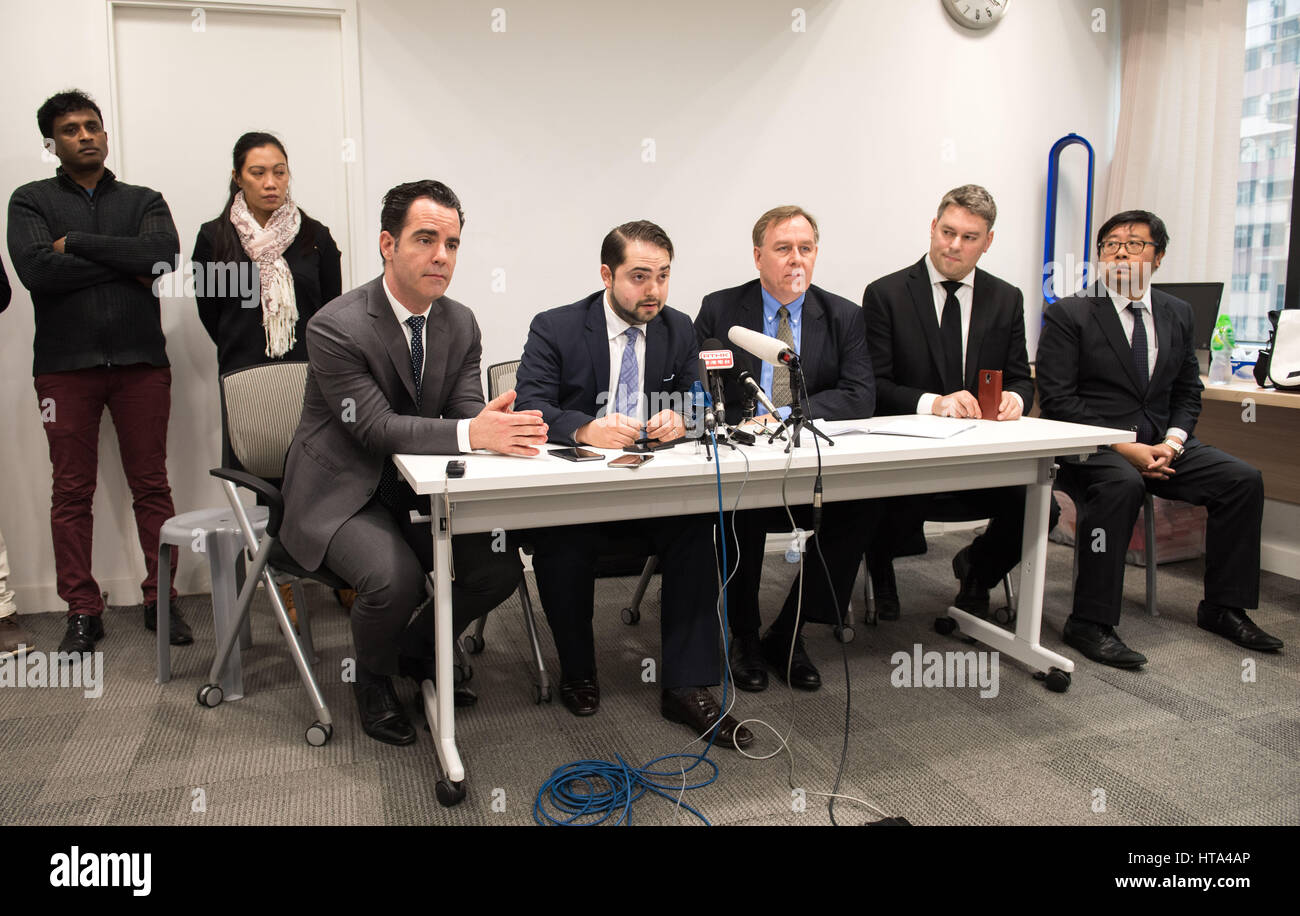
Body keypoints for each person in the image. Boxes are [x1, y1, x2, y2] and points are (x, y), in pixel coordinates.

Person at [278, 179, 546, 746]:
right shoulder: (335, 326)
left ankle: (414, 650)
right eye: (425, 239)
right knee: (393, 580)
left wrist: (488, 423)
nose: (441, 256)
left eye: (451, 243)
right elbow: (374, 428)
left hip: (424, 491)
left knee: (497, 567)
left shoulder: (459, 322)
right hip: (348, 491)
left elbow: (464, 409)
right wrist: (473, 432)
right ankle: (371, 678)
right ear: (387, 244)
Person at [514, 220, 752, 749]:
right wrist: (583, 427)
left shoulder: (677, 327)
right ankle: (579, 671)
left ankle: (686, 686)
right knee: (562, 543)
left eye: (664, 276)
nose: (654, 291)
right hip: (578, 497)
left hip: (650, 493)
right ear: (607, 274)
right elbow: (532, 403)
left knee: (697, 530)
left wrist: (684, 419)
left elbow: (701, 401)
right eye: (640, 277)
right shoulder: (555, 326)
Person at [1037, 209, 1283, 668]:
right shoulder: (1070, 312)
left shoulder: (1177, 312)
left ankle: (1223, 608)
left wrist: (1171, 443)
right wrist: (1123, 446)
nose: (1121, 252)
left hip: (1159, 445)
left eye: (1135, 244)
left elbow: (1189, 390)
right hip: (1092, 447)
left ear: (1159, 256)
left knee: (1242, 479)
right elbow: (1057, 400)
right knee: (1121, 484)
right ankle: (1090, 621)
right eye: (1111, 244)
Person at [7, 89, 188, 653]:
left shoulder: (144, 199)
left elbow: (162, 259)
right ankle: (82, 608)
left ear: (106, 134)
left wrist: (78, 244)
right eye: (70, 130)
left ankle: (163, 599)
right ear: (51, 143)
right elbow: (37, 271)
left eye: (93, 126)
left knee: (152, 485)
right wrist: (122, 263)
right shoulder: (29, 201)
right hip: (64, 370)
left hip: (141, 364)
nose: (85, 136)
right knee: (71, 493)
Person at [694, 205, 875, 693]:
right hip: (746, 463)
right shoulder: (721, 309)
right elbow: (700, 384)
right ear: (758, 256)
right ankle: (746, 636)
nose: (796, 259)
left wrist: (794, 413)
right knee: (744, 512)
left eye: (805, 248)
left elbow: (860, 395)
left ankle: (790, 631)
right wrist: (743, 422)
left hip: (810, 460)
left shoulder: (843, 315)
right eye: (783, 248)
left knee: (860, 510)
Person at [862, 184, 1034, 621]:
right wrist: (932, 403)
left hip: (980, 457)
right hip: (906, 459)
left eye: (969, 237)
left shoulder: (1006, 298)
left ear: (988, 241)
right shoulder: (886, 294)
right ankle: (880, 570)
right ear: (933, 227)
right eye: (947, 232)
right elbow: (872, 387)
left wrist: (1015, 397)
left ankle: (977, 570)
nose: (954, 245)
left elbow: (1021, 378)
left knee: (1038, 505)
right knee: (870, 504)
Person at [193, 131, 344, 624]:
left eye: (279, 170)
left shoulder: (315, 236)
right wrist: (250, 353)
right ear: (237, 177)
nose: (271, 181)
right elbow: (212, 314)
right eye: (258, 172)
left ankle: (338, 570)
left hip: (309, 378)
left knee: (320, 474)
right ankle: (281, 580)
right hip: (248, 380)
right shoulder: (215, 238)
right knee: (264, 481)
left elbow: (329, 314)